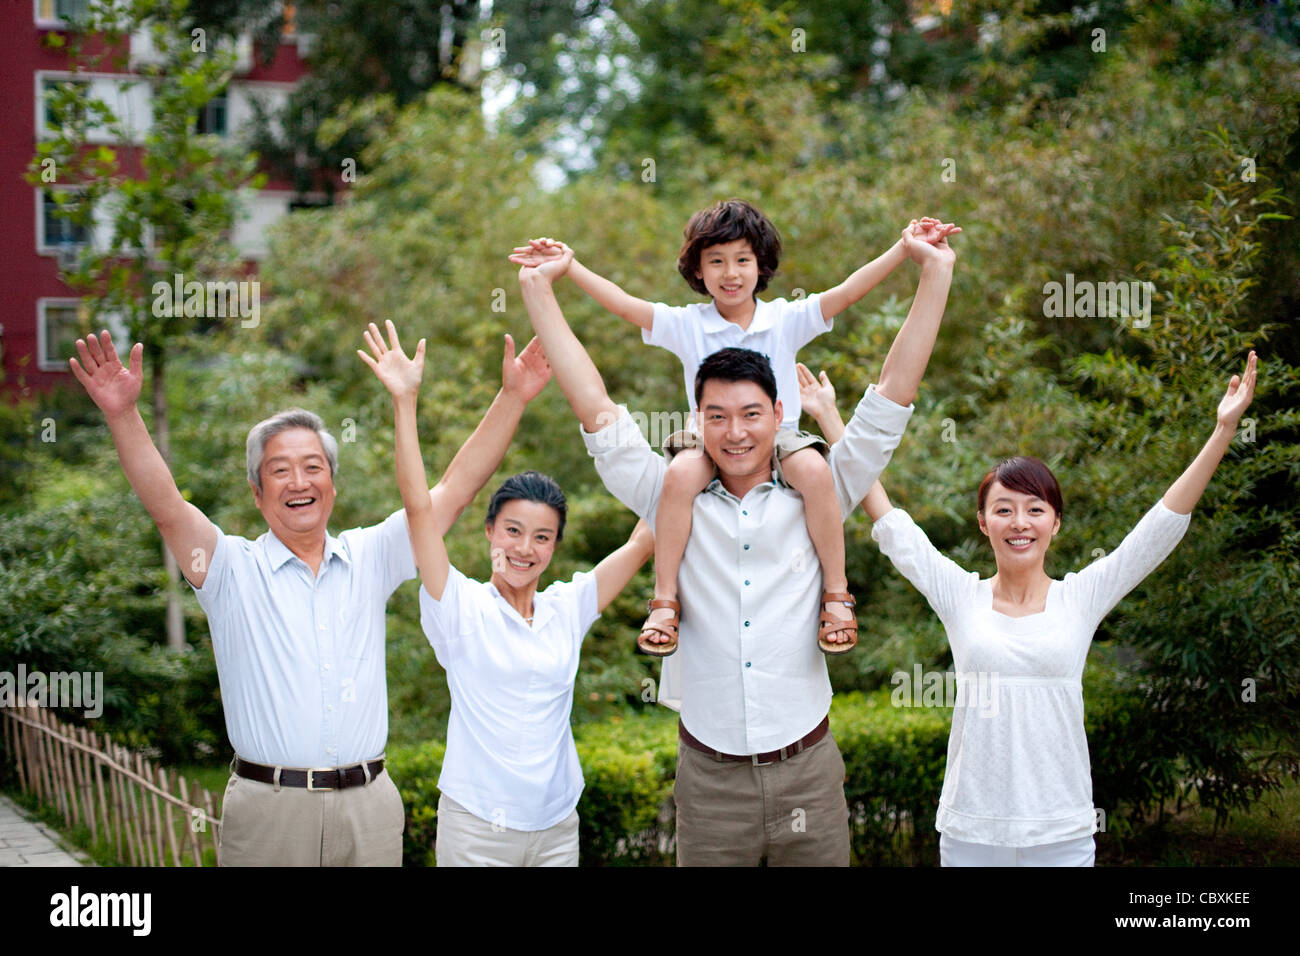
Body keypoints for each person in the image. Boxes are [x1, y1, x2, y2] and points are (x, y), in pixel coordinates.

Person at [514, 222, 957, 866]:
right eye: (716, 417)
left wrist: (933, 272)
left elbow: (893, 394)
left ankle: (841, 596)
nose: (735, 432)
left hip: (808, 767)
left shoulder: (821, 491)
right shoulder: (671, 498)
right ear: (697, 421)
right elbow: (596, 408)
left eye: (751, 414)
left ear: (779, 416)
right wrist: (540, 291)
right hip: (709, 781)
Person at [68, 328, 549, 866]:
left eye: (313, 466)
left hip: (368, 811)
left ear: (332, 485)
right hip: (269, 815)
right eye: (280, 470)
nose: (299, 480)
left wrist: (513, 396)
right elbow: (168, 508)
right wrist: (122, 414)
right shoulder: (229, 569)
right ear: (258, 492)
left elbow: (458, 488)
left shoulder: (372, 556)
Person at [797, 353, 1259, 866]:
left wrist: (1223, 429)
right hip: (972, 833)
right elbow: (887, 520)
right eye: (1004, 509)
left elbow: (1158, 529)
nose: (1020, 522)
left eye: (1035, 509)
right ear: (983, 522)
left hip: (1060, 834)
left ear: (1055, 523)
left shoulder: (1080, 597)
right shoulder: (960, 595)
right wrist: (828, 416)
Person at [510, 202, 959, 657]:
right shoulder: (688, 323)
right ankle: (664, 599)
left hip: (781, 436)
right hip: (704, 437)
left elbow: (847, 291)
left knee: (816, 471)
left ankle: (837, 593)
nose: (731, 273)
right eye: (717, 261)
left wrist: (903, 252)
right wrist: (571, 268)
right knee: (680, 476)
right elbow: (625, 305)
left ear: (760, 265)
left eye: (743, 259)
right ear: (698, 270)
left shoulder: (785, 318)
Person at [358, 320, 654, 866]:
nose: (525, 548)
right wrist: (406, 402)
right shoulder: (459, 604)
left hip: (557, 827)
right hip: (477, 829)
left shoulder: (567, 607)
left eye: (542, 537)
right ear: (490, 531)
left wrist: (705, 455)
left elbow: (646, 537)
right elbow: (421, 507)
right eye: (513, 531)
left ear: (555, 546)